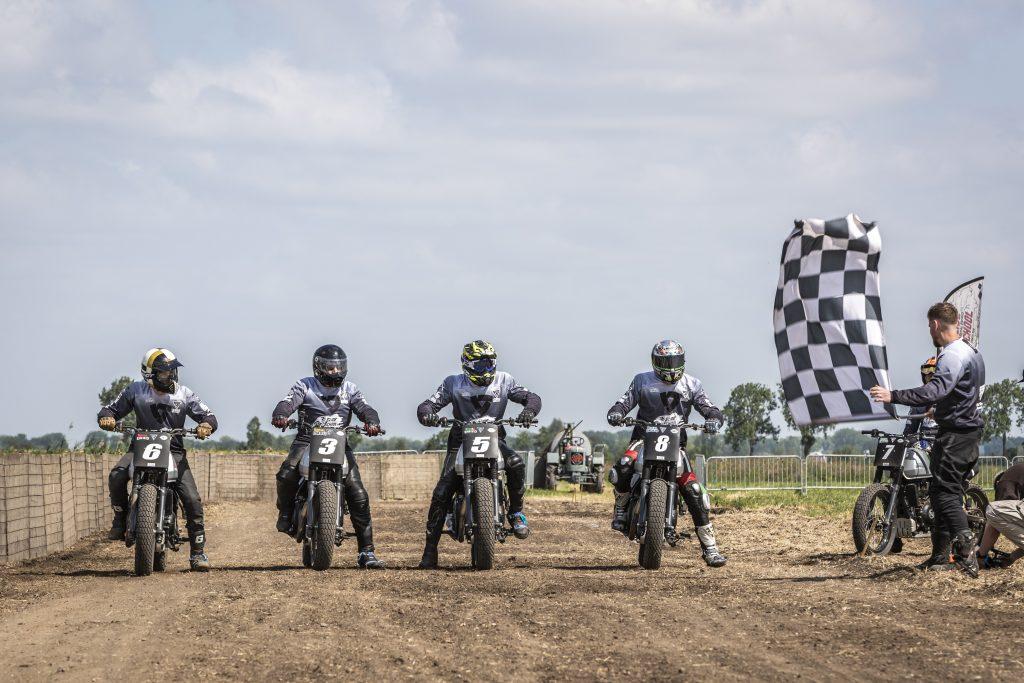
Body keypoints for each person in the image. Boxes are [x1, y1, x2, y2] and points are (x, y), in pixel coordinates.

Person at [870, 302, 986, 576]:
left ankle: (966, 546)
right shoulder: (972, 352)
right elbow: (965, 393)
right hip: (967, 432)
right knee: (940, 493)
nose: (929, 332)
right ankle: (939, 557)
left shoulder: (952, 356)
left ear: (935, 324)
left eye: (928, 326)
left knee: (945, 495)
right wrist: (942, 410)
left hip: (956, 436)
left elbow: (934, 389)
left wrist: (893, 395)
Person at [415, 340, 541, 569]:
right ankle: (430, 550)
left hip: (494, 436)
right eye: (481, 364)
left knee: (515, 463)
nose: (487, 368)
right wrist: (428, 416)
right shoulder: (452, 383)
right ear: (467, 364)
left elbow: (531, 397)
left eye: (489, 363)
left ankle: (516, 512)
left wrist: (528, 411)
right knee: (443, 490)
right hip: (460, 439)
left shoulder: (504, 380)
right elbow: (427, 405)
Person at [606, 340, 727, 567]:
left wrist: (713, 419)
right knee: (622, 467)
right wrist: (615, 412)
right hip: (642, 439)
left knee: (694, 492)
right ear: (655, 362)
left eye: (675, 361)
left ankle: (710, 548)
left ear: (683, 361)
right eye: (665, 362)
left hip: (676, 446)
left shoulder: (693, 384)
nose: (671, 366)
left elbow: (710, 407)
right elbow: (624, 402)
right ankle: (621, 506)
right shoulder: (641, 380)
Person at [98, 348, 217, 571]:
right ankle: (120, 519)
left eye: (172, 371)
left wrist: (206, 425)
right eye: (164, 373)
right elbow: (111, 408)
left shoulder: (184, 394)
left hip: (174, 450)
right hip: (140, 447)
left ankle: (198, 553)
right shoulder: (135, 390)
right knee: (116, 475)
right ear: (149, 375)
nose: (170, 376)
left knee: (192, 500)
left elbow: (208, 415)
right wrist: (106, 418)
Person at [270, 344, 385, 569]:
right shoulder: (304, 385)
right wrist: (281, 415)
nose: (335, 372)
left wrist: (372, 421)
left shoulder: (350, 389)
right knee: (286, 474)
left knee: (358, 493)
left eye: (338, 367)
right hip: (306, 439)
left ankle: (366, 552)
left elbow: (365, 408)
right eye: (330, 368)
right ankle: (285, 514)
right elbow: (287, 403)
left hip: (339, 442)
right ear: (318, 367)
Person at [975, 462, 1024, 569]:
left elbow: (995, 523)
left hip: (1010, 484)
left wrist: (981, 555)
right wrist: (1012, 558)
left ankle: (980, 558)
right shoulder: (1014, 477)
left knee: (995, 512)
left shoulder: (1008, 482)